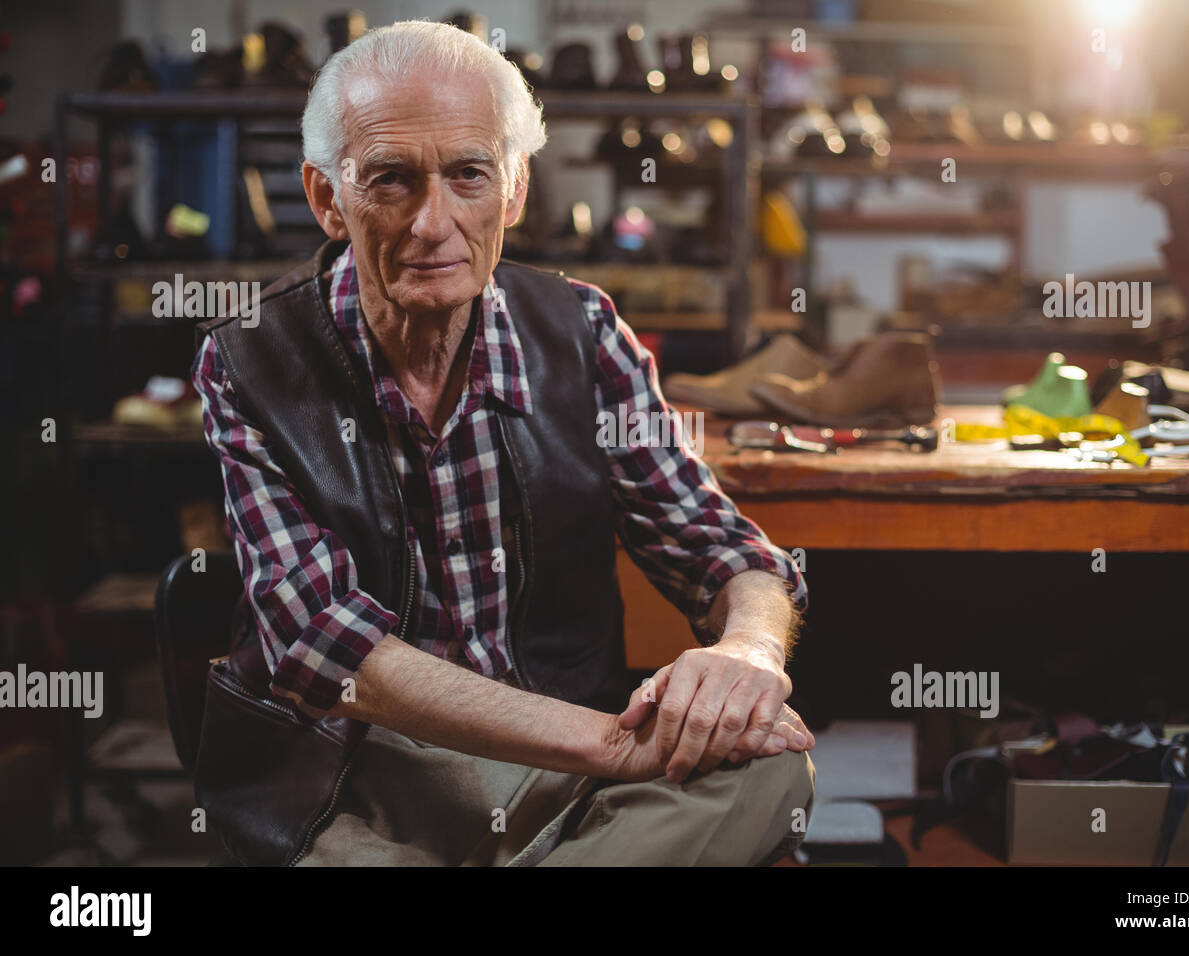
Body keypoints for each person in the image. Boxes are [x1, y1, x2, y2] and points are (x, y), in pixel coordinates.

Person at [191, 19, 814, 866]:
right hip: (353, 773)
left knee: (772, 766)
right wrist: (609, 745)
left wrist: (745, 650)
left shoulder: (585, 334)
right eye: (392, 180)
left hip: (563, 758)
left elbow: (719, 547)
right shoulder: (251, 362)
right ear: (327, 198)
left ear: (514, 192)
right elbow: (327, 650)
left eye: (469, 176)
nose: (432, 224)